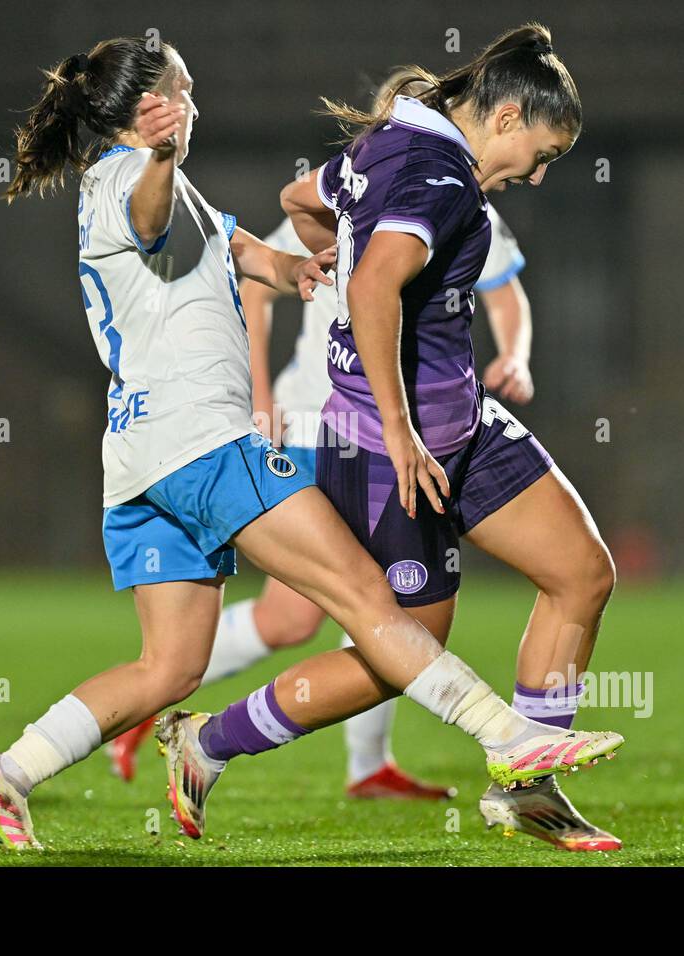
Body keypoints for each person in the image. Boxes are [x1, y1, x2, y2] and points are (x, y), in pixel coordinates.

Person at [0, 35, 622, 851]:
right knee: (367, 604)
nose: (195, 108)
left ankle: (9, 771)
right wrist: (162, 157)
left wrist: (295, 267)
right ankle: (509, 738)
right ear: (149, 112)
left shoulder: (155, 184)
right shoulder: (135, 178)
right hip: (205, 447)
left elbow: (234, 245)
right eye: (184, 94)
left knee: (170, 669)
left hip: (143, 459)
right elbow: (149, 218)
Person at [161, 23, 624, 851]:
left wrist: (339, 263)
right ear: (507, 117)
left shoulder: (393, 140)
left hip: (464, 426)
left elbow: (301, 201)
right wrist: (400, 425)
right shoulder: (436, 174)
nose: (539, 175)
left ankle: (530, 788)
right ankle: (209, 741)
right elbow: (375, 288)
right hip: (385, 451)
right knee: (401, 655)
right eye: (543, 153)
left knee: (582, 574)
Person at [107, 76, 538, 803]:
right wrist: (263, 397)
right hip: (324, 423)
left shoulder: (460, 197)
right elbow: (255, 278)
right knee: (308, 614)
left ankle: (357, 762)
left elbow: (506, 293)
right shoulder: (361, 187)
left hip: (393, 429)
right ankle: (158, 705)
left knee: (380, 606)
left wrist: (516, 355)